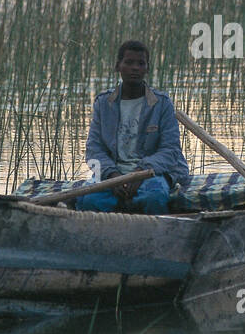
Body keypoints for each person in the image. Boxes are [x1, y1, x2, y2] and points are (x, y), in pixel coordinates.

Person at [76, 39, 190, 214]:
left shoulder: (161, 103)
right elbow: (94, 150)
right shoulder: (104, 103)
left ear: (147, 69)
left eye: (140, 63)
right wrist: (113, 177)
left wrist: (140, 173)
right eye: (129, 62)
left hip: (152, 173)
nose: (135, 68)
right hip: (115, 173)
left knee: (154, 198)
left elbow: (170, 150)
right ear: (118, 66)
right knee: (88, 201)